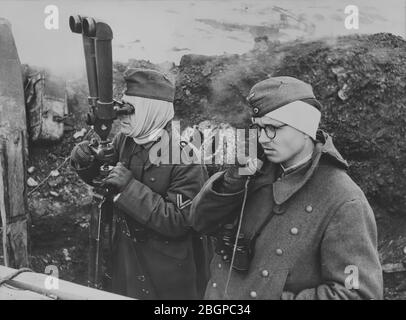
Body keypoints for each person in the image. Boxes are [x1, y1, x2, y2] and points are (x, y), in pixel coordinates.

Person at [191, 76, 383, 300]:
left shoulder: (344, 199)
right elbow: (199, 222)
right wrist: (232, 181)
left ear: (305, 127)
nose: (262, 138)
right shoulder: (252, 170)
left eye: (272, 128)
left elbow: (358, 294)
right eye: (259, 128)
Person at [70, 68, 211, 299]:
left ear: (152, 112)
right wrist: (86, 161)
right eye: (121, 109)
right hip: (125, 255)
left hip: (166, 268)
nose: (121, 117)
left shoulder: (185, 158)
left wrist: (129, 188)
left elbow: (180, 222)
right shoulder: (126, 140)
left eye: (130, 111)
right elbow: (104, 181)